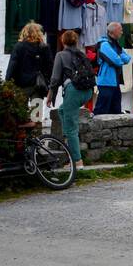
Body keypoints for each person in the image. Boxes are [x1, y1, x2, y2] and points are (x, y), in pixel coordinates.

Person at [47, 30, 93, 170]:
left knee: (72, 128)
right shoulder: (82, 54)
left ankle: (77, 162)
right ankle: (68, 137)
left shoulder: (61, 55)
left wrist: (50, 96)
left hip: (74, 91)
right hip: (87, 91)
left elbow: (55, 79)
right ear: (76, 41)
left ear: (63, 41)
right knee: (62, 111)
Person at [6, 21, 53, 122]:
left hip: (21, 85)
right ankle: (37, 136)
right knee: (36, 117)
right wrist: (49, 83)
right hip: (38, 85)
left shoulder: (18, 47)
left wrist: (7, 83)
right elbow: (49, 68)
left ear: (25, 32)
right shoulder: (44, 48)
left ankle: (22, 136)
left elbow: (12, 66)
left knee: (20, 115)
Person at [93, 21, 132, 115]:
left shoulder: (116, 45)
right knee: (101, 110)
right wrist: (119, 57)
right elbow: (117, 61)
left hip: (115, 82)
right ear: (112, 32)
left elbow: (127, 58)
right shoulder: (104, 44)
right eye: (120, 30)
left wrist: (118, 56)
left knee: (116, 110)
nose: (122, 32)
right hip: (106, 82)